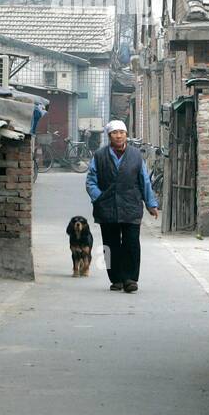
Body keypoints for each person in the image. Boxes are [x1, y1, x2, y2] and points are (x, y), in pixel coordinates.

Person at [85, 120, 160, 293]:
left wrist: (151, 204)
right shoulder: (100, 155)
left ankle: (130, 279)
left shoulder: (135, 155)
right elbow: (91, 181)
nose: (118, 136)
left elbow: (144, 180)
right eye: (114, 133)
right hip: (107, 206)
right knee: (110, 245)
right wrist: (99, 197)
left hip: (131, 205)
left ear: (126, 135)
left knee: (131, 243)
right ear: (109, 136)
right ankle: (116, 279)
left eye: (122, 132)